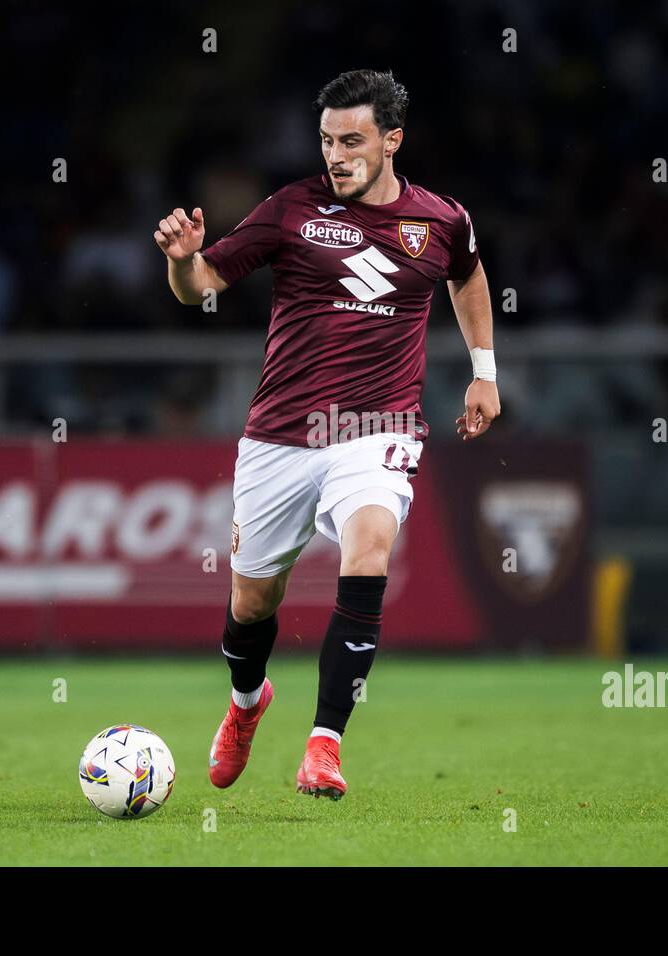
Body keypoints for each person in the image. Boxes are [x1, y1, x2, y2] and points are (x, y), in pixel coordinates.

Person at [153, 69, 500, 799]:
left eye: (352, 141)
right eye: (326, 140)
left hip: (377, 428)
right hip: (280, 435)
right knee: (254, 603)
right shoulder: (291, 209)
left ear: (392, 140)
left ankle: (325, 744)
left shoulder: (441, 220)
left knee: (368, 552)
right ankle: (247, 705)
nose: (335, 155)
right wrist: (183, 260)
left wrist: (484, 370)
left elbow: (467, 278)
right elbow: (206, 285)